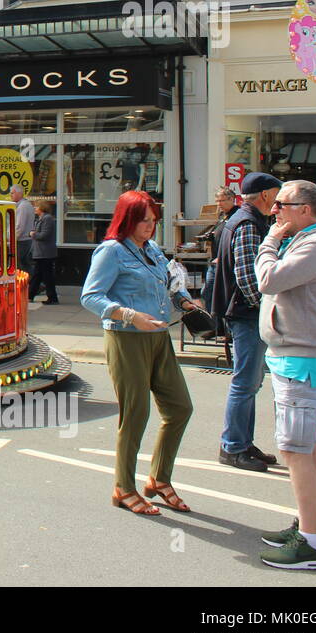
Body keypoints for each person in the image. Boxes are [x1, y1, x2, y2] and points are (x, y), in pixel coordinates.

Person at [81, 190, 201, 515]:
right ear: (128, 219)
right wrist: (130, 315)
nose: (150, 226)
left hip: (159, 337)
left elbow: (171, 283)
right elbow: (90, 297)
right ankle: (123, 487)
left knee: (180, 408)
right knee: (135, 415)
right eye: (144, 220)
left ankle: (159, 481)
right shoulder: (111, 251)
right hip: (127, 338)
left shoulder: (151, 250)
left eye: (153, 220)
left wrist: (185, 301)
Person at [254, 181, 316, 571]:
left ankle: (312, 545)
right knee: (308, 448)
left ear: (307, 209)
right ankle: (308, 526)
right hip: (297, 356)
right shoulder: (310, 240)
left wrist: (268, 244)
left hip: (302, 359)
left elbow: (268, 280)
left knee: (295, 450)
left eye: (282, 205)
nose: (274, 211)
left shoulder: (315, 245)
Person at [211, 171, 283, 472]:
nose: (279, 204)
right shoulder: (248, 223)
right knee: (245, 382)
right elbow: (247, 277)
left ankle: (243, 441)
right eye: (277, 196)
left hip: (244, 313)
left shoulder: (245, 220)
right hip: (246, 315)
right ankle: (233, 446)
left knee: (251, 382)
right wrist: (265, 309)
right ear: (265, 195)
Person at [200, 186, 238, 315]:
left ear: (232, 199)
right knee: (207, 293)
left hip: (224, 261)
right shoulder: (223, 215)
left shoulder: (237, 215)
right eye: (217, 201)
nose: (219, 204)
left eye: (222, 201)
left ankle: (221, 327)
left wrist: (224, 256)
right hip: (215, 260)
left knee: (217, 294)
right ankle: (214, 324)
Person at [28, 200, 59, 304]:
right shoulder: (41, 219)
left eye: (36, 207)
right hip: (40, 252)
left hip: (45, 253)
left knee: (46, 276)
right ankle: (31, 295)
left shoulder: (47, 219)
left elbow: (44, 235)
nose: (35, 209)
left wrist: (33, 234)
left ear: (42, 208)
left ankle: (51, 298)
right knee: (39, 275)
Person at [12, 185, 35, 275]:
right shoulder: (25, 205)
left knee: (22, 264)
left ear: (19, 193)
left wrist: (13, 239)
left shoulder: (23, 207)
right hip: (25, 239)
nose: (11, 195)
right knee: (24, 263)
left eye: (13, 193)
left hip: (22, 240)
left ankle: (32, 282)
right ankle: (34, 282)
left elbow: (19, 226)